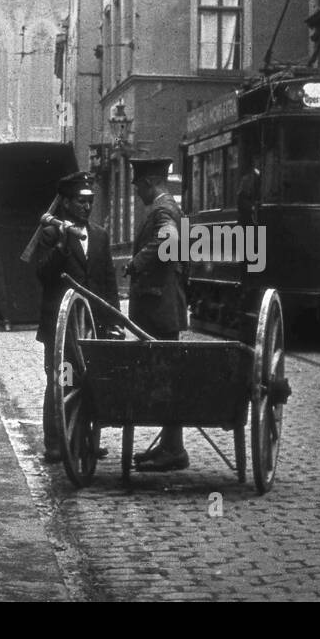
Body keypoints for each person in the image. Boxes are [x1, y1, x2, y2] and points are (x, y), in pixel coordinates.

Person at [32, 172, 120, 463]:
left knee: (90, 382)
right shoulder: (50, 234)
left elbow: (107, 283)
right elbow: (44, 275)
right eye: (81, 201)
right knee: (61, 381)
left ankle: (86, 441)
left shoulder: (100, 235)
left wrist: (113, 322)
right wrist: (61, 244)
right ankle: (56, 443)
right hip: (60, 328)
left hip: (91, 326)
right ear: (67, 203)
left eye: (90, 201)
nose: (86, 207)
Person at [126, 155, 190, 472]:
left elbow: (171, 240)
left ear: (150, 183)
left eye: (139, 186)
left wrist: (137, 261)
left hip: (159, 307)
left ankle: (174, 451)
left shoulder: (163, 209)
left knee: (166, 378)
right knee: (167, 376)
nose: (137, 193)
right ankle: (169, 446)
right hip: (163, 304)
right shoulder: (167, 207)